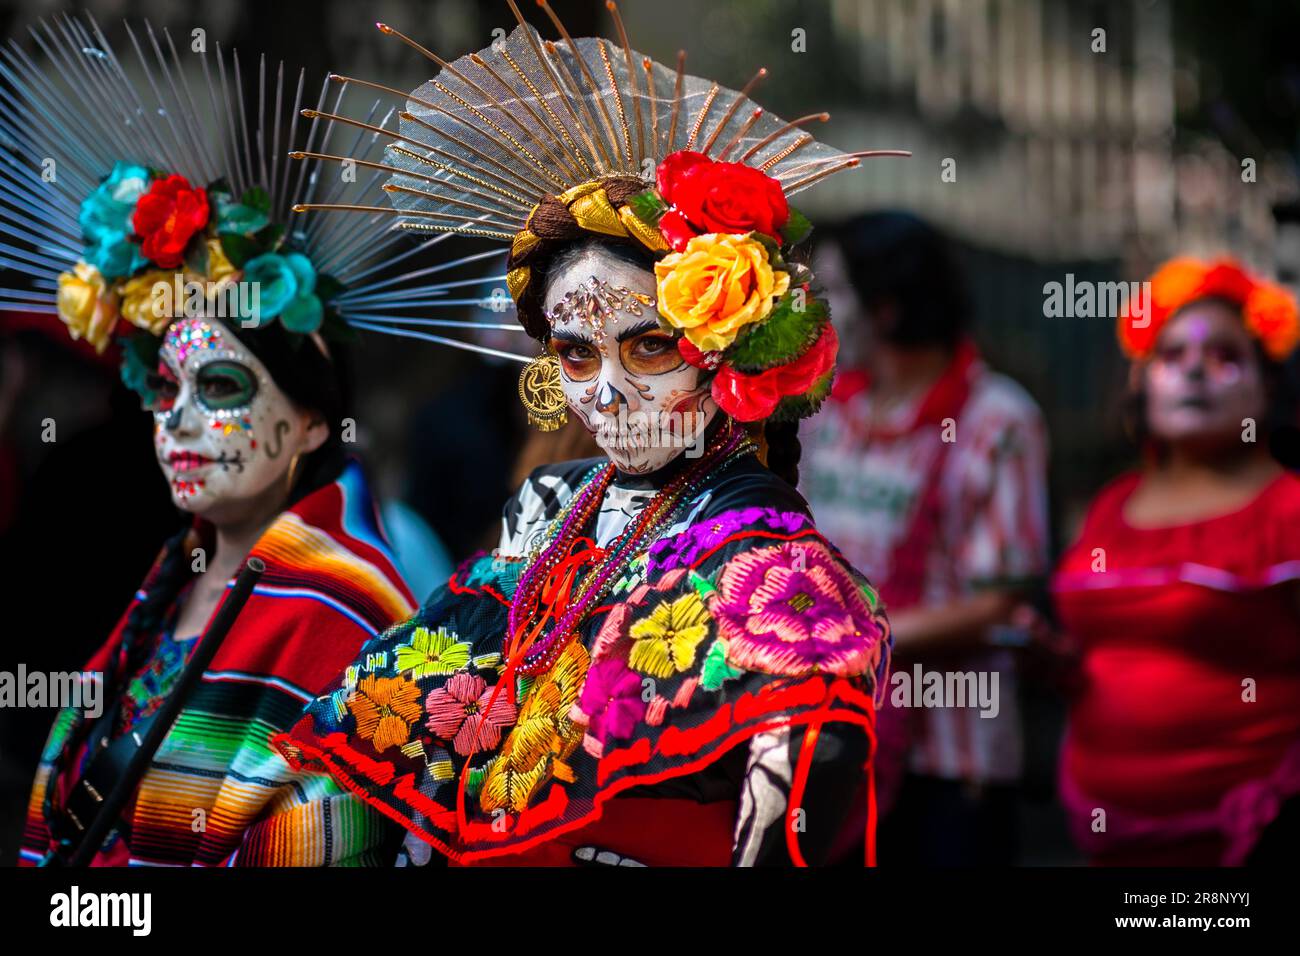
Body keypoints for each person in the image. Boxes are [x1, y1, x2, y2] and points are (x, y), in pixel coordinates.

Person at [273, 5, 901, 866]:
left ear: (724, 355)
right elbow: (407, 721)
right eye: (574, 351)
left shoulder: (774, 563)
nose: (604, 390)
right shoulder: (548, 506)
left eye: (647, 345)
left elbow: (803, 796)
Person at [0, 16, 428, 865]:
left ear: (310, 421)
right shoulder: (170, 578)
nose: (179, 419)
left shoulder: (350, 611)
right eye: (164, 389)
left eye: (223, 388)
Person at [800, 212, 1051, 865]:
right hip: (826, 737)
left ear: (884, 309)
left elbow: (999, 606)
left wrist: (852, 642)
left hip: (949, 758)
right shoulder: (820, 412)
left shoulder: (998, 419)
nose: (815, 310)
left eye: (833, 291)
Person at [1053, 256, 1300, 866]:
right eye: (1171, 357)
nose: (1194, 370)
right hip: (1104, 838)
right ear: (1141, 382)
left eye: (1224, 356)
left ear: (1266, 387)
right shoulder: (1113, 505)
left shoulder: (1290, 508)